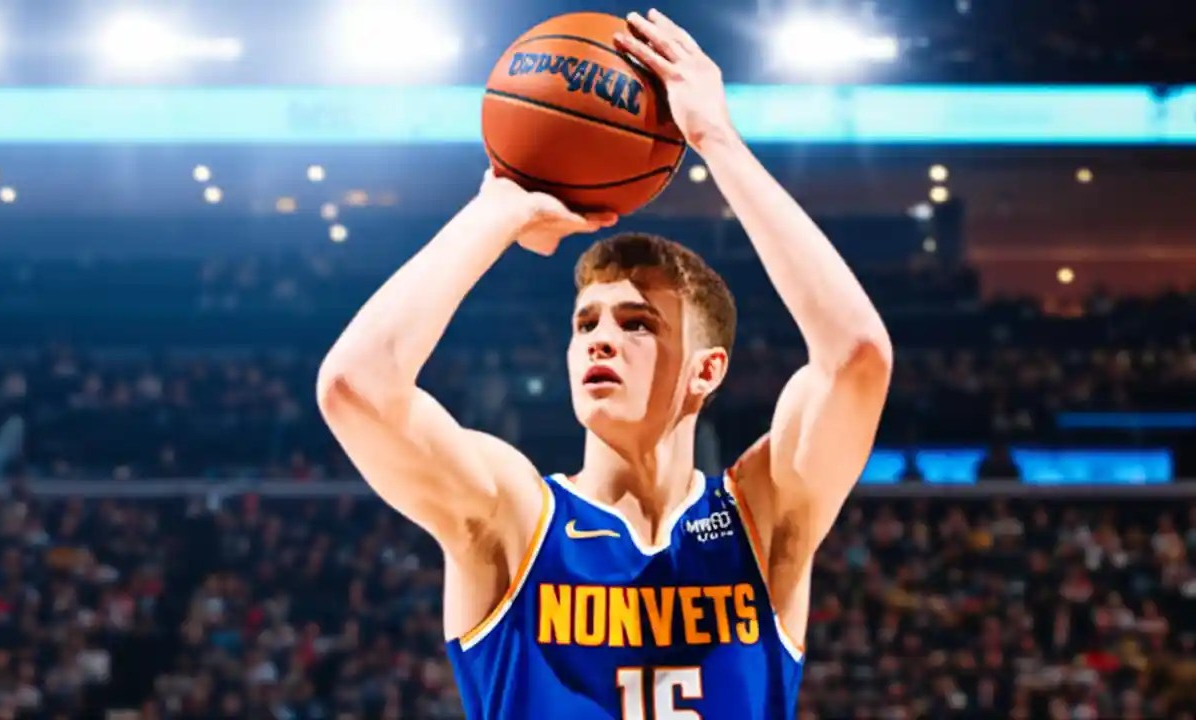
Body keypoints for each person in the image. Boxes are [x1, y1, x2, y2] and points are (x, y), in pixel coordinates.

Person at [316, 9, 892, 719]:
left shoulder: (764, 516)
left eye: (637, 323)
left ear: (705, 372)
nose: (600, 339)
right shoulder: (516, 519)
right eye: (585, 321)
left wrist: (718, 139)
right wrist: (497, 209)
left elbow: (857, 357)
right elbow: (356, 388)